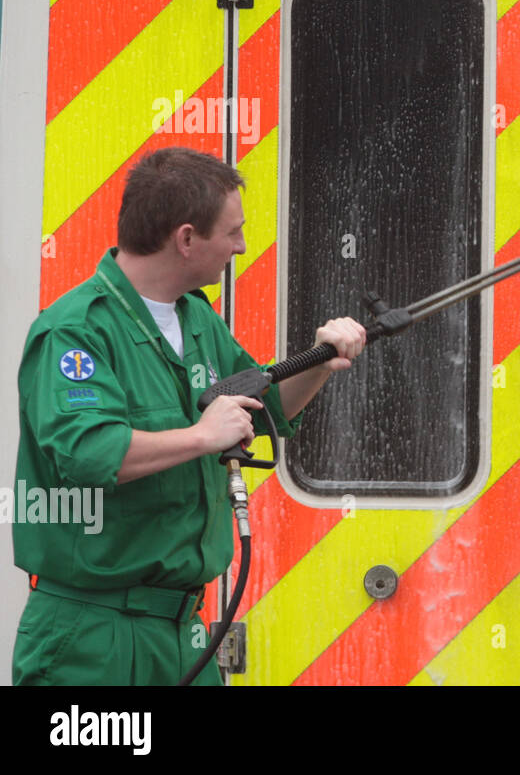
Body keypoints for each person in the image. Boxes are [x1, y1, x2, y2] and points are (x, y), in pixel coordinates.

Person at [11, 147, 366, 685]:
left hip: (182, 630)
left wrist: (322, 360)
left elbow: (266, 409)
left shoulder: (195, 316)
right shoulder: (75, 331)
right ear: (185, 239)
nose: (242, 246)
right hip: (95, 635)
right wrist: (201, 436)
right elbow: (88, 453)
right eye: (232, 232)